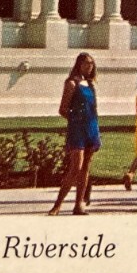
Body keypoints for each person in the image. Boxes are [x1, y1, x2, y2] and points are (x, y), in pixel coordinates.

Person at [49, 52, 100, 215]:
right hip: (77, 129)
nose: (89, 66)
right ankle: (58, 204)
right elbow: (62, 109)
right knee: (75, 167)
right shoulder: (71, 83)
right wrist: (76, 119)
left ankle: (79, 204)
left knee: (85, 167)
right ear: (79, 64)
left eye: (91, 63)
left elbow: (94, 109)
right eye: (86, 63)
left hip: (91, 128)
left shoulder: (91, 84)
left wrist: (95, 128)